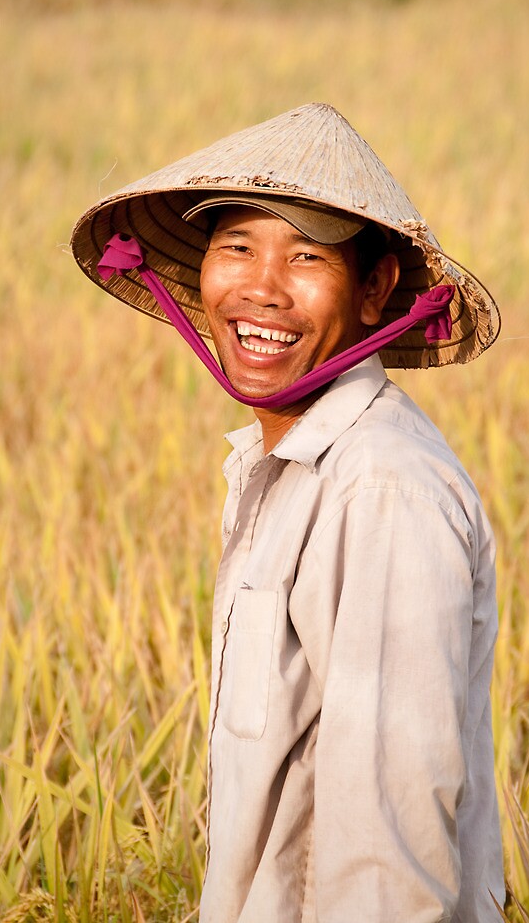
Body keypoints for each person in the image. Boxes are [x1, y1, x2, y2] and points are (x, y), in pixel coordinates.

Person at [71, 102, 505, 922]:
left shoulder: (382, 492)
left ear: (376, 291)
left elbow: (389, 842)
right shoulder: (283, 466)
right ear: (201, 272)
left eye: (307, 257)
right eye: (237, 247)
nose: (262, 288)